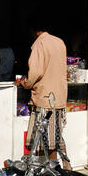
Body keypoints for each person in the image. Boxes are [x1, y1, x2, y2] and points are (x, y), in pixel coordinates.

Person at [18, 24, 68, 167]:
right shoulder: (59, 42)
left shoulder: (40, 44)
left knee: (46, 138)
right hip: (58, 96)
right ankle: (63, 165)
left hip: (45, 98)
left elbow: (35, 72)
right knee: (55, 134)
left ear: (34, 29)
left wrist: (25, 83)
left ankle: (53, 168)